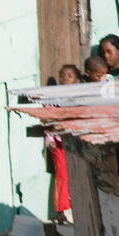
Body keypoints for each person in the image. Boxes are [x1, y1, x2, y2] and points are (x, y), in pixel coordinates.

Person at [47, 65, 80, 219]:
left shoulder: (80, 97)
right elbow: (48, 120)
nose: (65, 78)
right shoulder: (53, 97)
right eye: (63, 75)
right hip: (58, 141)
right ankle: (61, 210)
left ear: (77, 80)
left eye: (70, 76)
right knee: (62, 174)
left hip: (76, 140)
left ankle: (75, 206)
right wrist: (50, 139)